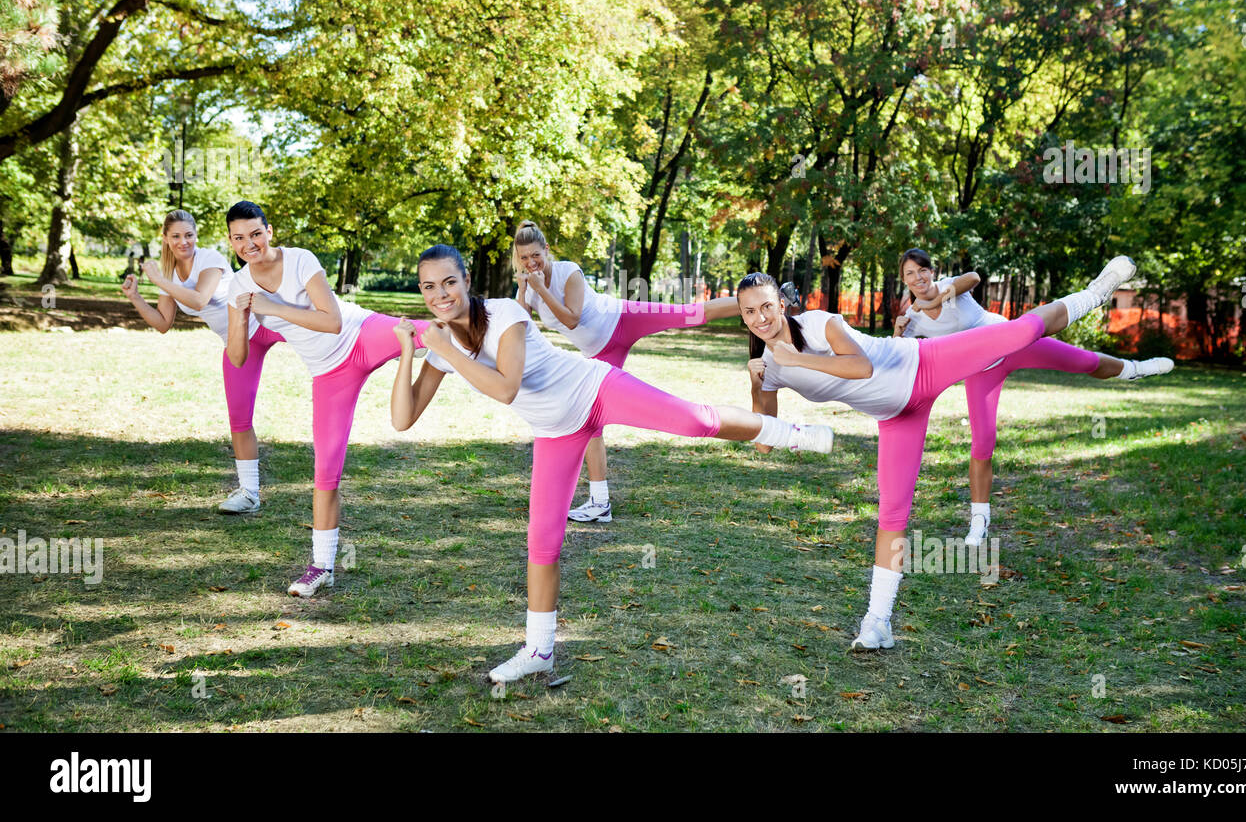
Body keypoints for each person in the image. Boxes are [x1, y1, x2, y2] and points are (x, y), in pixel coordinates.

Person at [391, 243, 832, 683]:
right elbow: (402, 418)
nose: (440, 294)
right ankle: (540, 650)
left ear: (467, 282)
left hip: (593, 389)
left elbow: (506, 388)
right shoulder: (440, 344)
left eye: (449, 282)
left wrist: (444, 350)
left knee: (694, 420)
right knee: (541, 543)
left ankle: (792, 435)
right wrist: (411, 353)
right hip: (556, 430)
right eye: (429, 286)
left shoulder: (505, 313)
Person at [737, 255, 1138, 651]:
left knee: (1018, 333)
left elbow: (861, 368)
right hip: (896, 415)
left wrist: (795, 358)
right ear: (742, 317)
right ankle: (878, 623)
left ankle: (1094, 293)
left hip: (923, 364)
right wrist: (759, 383)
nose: (761, 318)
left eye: (767, 306)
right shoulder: (771, 366)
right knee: (892, 513)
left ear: (782, 304)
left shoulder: (820, 324)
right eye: (750, 311)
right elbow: (765, 440)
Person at [224, 201, 434, 597]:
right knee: (325, 472)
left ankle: (501, 353)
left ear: (269, 231)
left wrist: (274, 307)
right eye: (239, 238)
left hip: (360, 333)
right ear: (231, 242)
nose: (249, 243)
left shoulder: (300, 260)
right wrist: (240, 315)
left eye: (255, 233)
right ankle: (322, 567)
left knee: (433, 332)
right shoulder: (239, 285)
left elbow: (332, 319)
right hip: (328, 373)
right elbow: (237, 356)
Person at [892, 248, 1172, 545]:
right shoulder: (913, 317)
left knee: (1084, 361)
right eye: (910, 273)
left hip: (1012, 341)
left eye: (922, 270)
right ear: (904, 280)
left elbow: (972, 278)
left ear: (931, 271)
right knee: (983, 441)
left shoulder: (950, 285)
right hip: (981, 369)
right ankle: (979, 521)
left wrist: (938, 297)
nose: (918, 277)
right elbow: (897, 357)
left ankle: (1133, 368)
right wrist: (899, 331)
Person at [512, 220, 740, 524]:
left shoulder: (569, 271)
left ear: (547, 250)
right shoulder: (529, 285)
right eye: (523, 257)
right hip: (600, 353)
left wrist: (540, 287)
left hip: (622, 318)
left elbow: (571, 319)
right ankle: (600, 502)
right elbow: (521, 325)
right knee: (589, 424)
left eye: (535, 255)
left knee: (691, 314)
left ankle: (762, 301)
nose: (531, 262)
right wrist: (524, 288)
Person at [121, 209, 282, 513]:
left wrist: (158, 278)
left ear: (196, 235)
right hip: (235, 341)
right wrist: (136, 297)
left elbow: (198, 300)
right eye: (177, 236)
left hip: (267, 320)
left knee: (327, 335)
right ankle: (249, 494)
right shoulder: (168, 276)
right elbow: (163, 323)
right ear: (166, 238)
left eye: (189, 235)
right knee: (239, 418)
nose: (184, 242)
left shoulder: (209, 259)